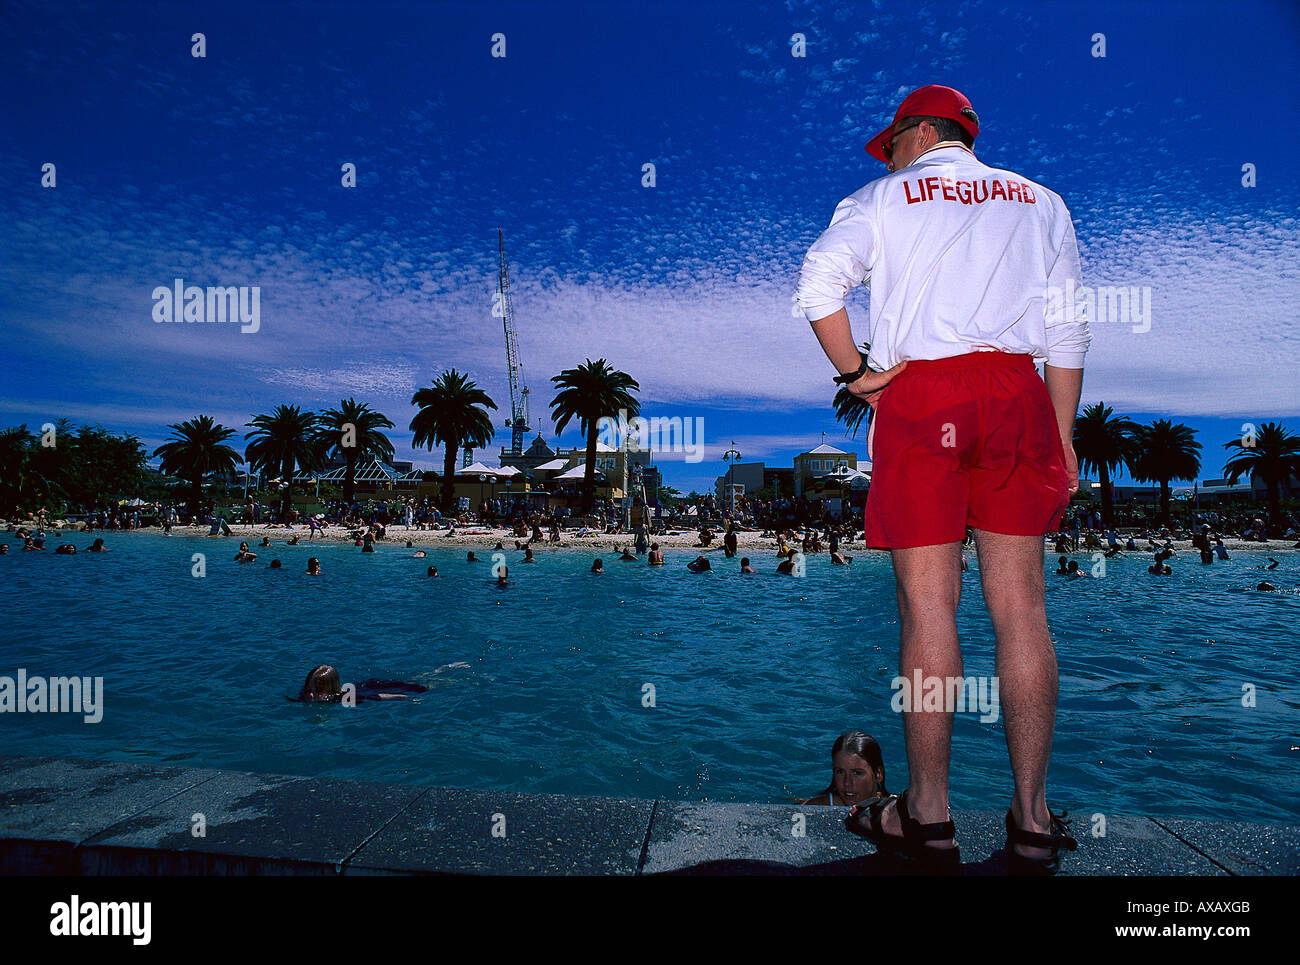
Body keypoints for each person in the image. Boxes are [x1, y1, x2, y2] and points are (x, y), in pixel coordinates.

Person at [796, 85, 1087, 872]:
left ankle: (928, 814)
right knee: (1022, 607)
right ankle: (1031, 819)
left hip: (924, 395)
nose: (885, 155)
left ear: (921, 132)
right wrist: (1058, 441)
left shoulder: (884, 197)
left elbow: (817, 286)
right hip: (1019, 394)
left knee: (929, 610)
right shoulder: (1041, 202)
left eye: (890, 141)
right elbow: (1066, 333)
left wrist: (856, 373)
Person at [802, 732, 890, 808]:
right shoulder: (815, 808)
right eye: (840, 772)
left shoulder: (897, 811)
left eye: (857, 773)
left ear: (878, 774)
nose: (847, 782)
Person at [294, 665, 428, 703]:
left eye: (317, 690)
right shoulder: (305, 696)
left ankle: (435, 675)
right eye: (308, 689)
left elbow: (379, 696)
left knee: (422, 687)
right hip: (365, 685)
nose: (311, 694)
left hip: (370, 688)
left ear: (330, 690)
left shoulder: (342, 698)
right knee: (408, 682)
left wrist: (403, 697)